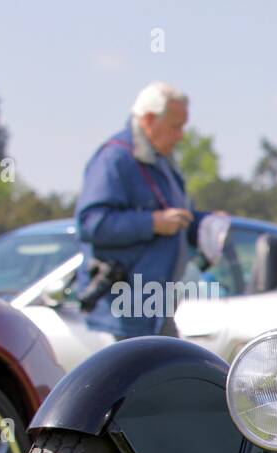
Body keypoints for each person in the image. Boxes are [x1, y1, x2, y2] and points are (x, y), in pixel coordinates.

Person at [74, 81, 206, 339]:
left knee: (167, 375)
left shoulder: (161, 161)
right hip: (125, 313)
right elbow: (91, 223)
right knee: (137, 377)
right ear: (148, 119)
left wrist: (205, 222)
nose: (181, 135)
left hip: (155, 310)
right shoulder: (115, 159)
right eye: (175, 127)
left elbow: (176, 219)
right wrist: (152, 223)